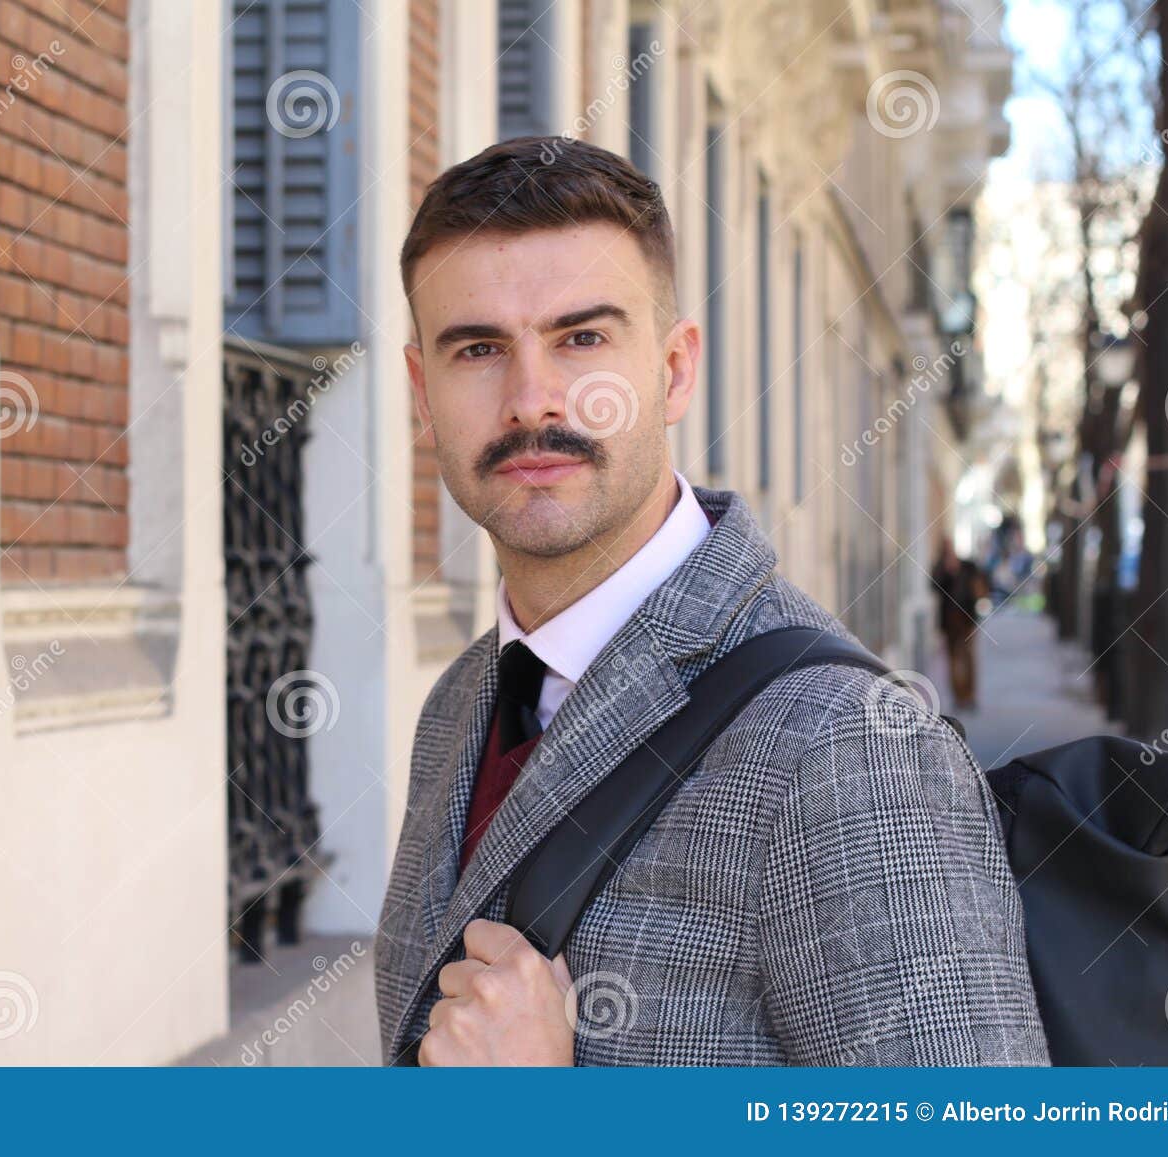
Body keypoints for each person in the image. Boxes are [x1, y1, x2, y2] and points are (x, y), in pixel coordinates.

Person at [373, 137, 1047, 1067]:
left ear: (676, 369)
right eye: (479, 349)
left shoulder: (849, 745)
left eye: (583, 338)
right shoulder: (456, 703)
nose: (532, 400)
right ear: (423, 392)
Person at [931, 539, 989, 711]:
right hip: (949, 622)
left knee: (969, 658)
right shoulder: (940, 568)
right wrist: (948, 572)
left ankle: (969, 695)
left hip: (967, 620)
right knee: (953, 660)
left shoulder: (968, 566)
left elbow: (981, 584)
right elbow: (934, 587)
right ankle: (958, 697)